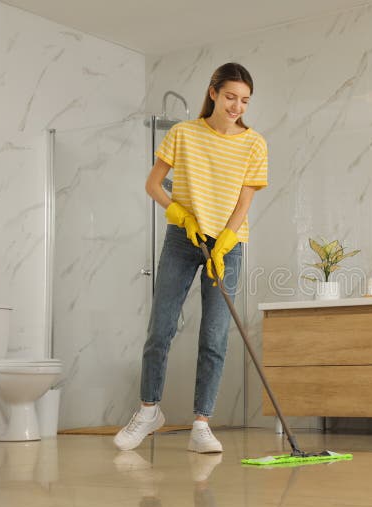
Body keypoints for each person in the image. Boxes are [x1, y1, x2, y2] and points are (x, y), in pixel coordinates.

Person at [114, 62, 268, 453]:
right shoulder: (183, 134)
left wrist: (226, 240)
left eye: (245, 100)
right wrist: (178, 212)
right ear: (213, 92)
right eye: (231, 96)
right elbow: (153, 184)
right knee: (160, 328)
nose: (237, 107)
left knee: (215, 335)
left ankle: (202, 423)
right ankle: (149, 411)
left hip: (228, 246)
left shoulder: (255, 143)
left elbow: (245, 200)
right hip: (183, 239)